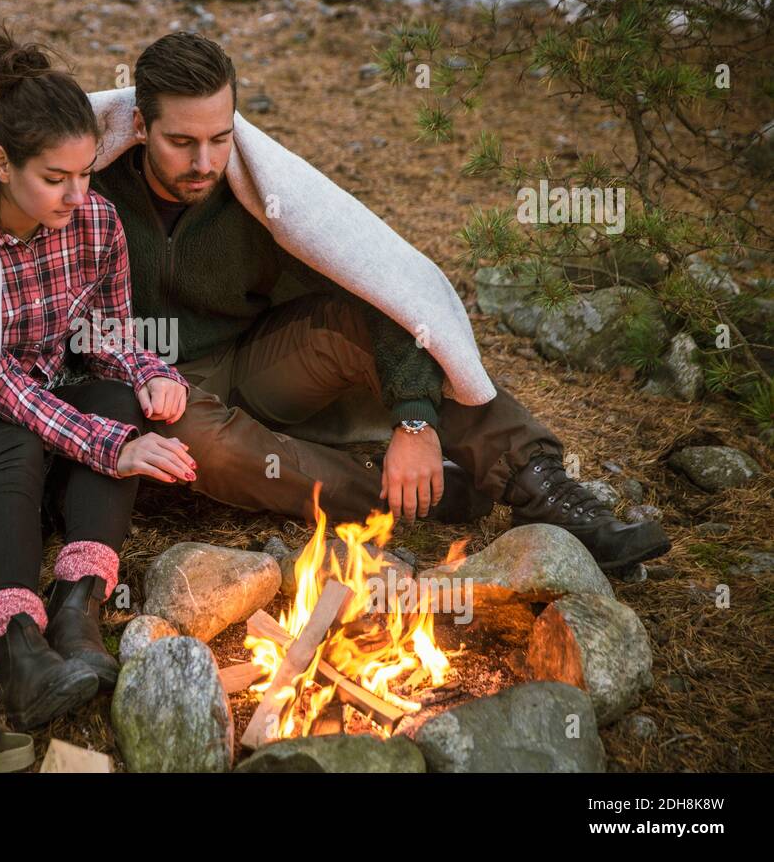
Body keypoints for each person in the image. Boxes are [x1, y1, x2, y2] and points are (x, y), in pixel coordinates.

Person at [86, 32, 671, 575]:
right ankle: (400, 499)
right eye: (182, 142)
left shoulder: (257, 195)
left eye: (220, 138)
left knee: (355, 325)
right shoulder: (86, 195)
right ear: (139, 125)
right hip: (152, 389)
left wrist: (414, 417)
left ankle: (541, 483)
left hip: (257, 362)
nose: (205, 163)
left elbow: (375, 289)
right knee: (202, 445)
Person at [0, 24, 197, 731]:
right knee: (18, 442)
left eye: (86, 174)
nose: (76, 195)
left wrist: (151, 373)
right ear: (3, 164)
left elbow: (105, 334)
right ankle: (17, 649)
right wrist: (107, 447)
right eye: (54, 178)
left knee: (128, 405)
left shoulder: (95, 223)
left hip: (56, 391)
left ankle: (78, 607)